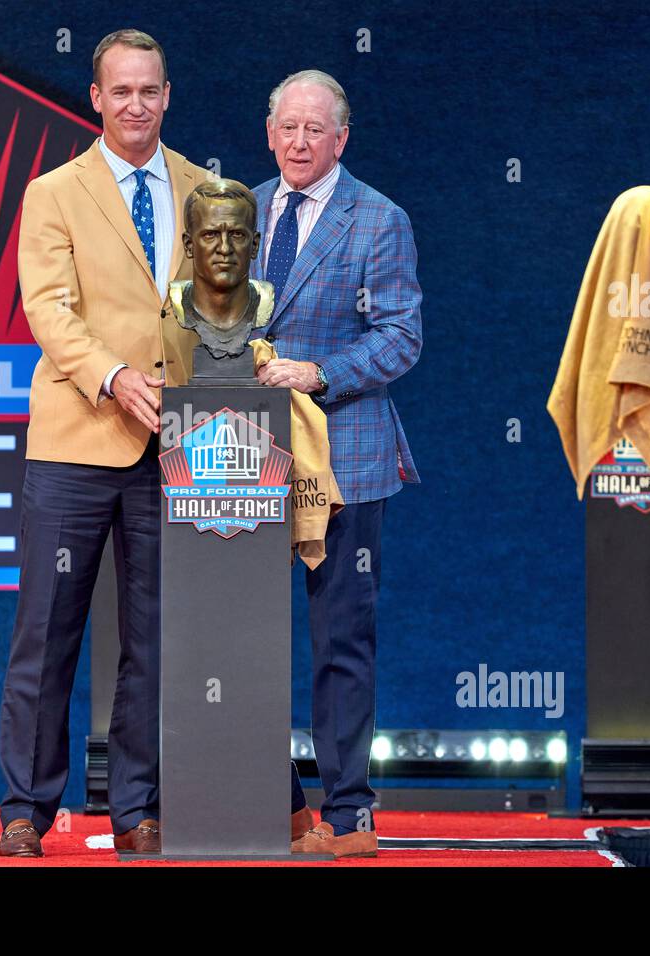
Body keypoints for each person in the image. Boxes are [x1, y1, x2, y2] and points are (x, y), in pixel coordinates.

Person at [0, 29, 203, 858]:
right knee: (47, 636)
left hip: (176, 448)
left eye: (149, 90)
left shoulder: (203, 189)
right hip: (77, 439)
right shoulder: (53, 192)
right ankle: (25, 810)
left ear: (166, 94)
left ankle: (136, 811)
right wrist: (115, 376)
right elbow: (49, 310)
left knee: (155, 643)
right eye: (121, 91)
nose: (136, 105)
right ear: (95, 97)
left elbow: (214, 314)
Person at [248, 69, 422, 858]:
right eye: (287, 126)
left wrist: (318, 373)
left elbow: (400, 338)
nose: (298, 141)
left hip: (344, 457)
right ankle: (275, 806)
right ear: (269, 131)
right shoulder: (238, 212)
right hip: (239, 458)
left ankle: (349, 814)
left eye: (315, 129)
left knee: (340, 640)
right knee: (240, 637)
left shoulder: (378, 219)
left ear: (341, 139)